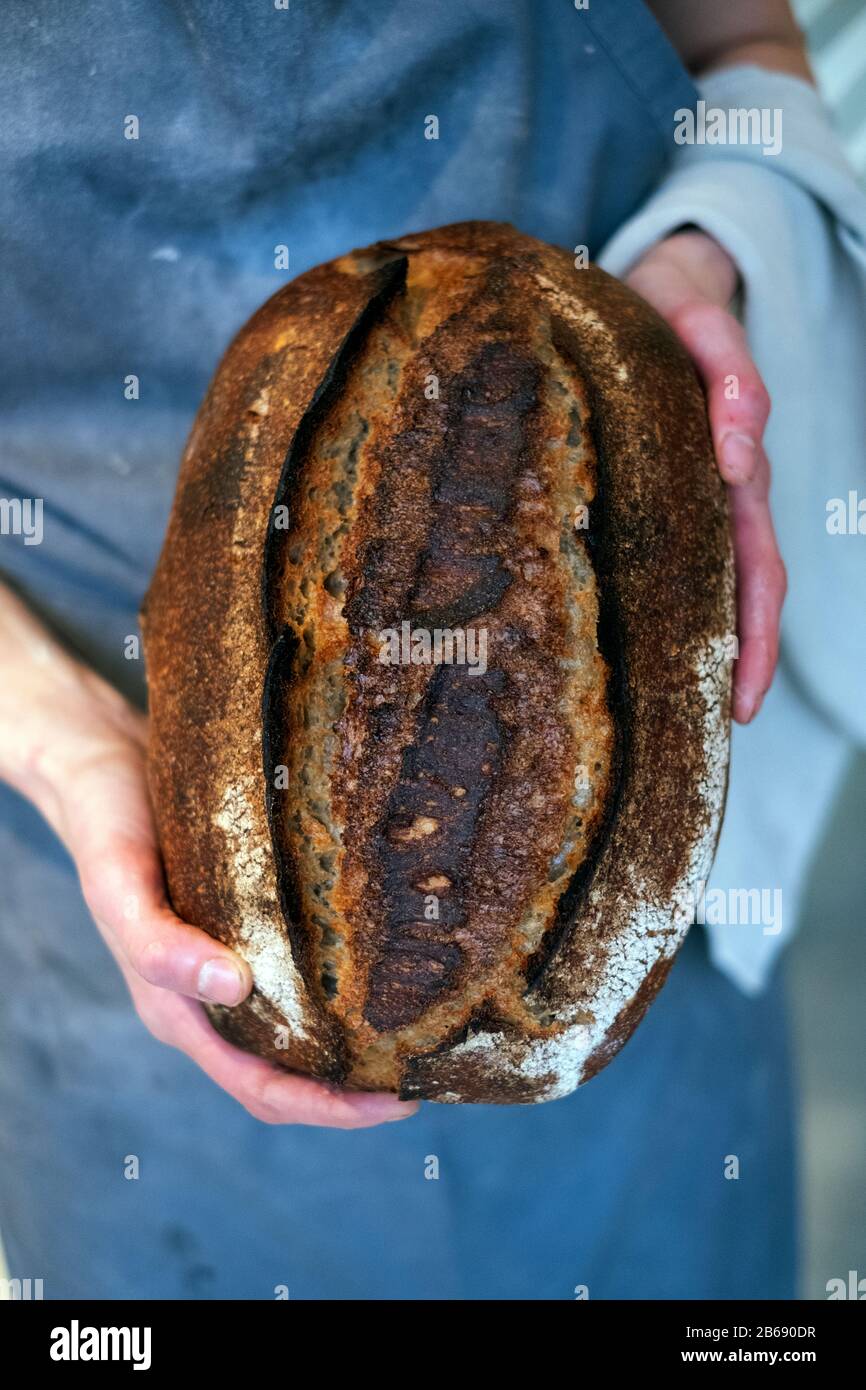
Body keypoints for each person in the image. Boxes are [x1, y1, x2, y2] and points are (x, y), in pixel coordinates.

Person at [0, 0, 858, 1299]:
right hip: (98, 867)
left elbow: (741, 51)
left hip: (625, 892)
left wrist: (706, 251)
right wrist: (61, 742)